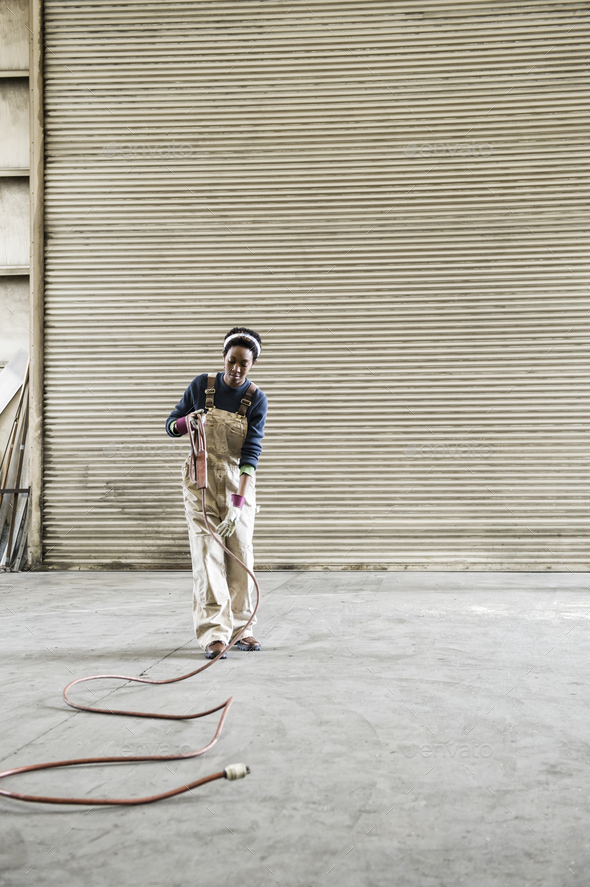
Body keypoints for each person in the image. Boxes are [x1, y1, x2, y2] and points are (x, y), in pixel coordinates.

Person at [165, 327, 268, 660]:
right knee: (207, 555)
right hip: (200, 482)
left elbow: (251, 453)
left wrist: (238, 503)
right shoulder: (201, 386)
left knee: (240, 554)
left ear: (252, 364)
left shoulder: (256, 399)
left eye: (244, 364)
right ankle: (213, 634)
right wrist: (186, 423)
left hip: (237, 483)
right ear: (224, 357)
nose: (236, 369)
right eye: (232, 360)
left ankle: (242, 630)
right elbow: (170, 424)